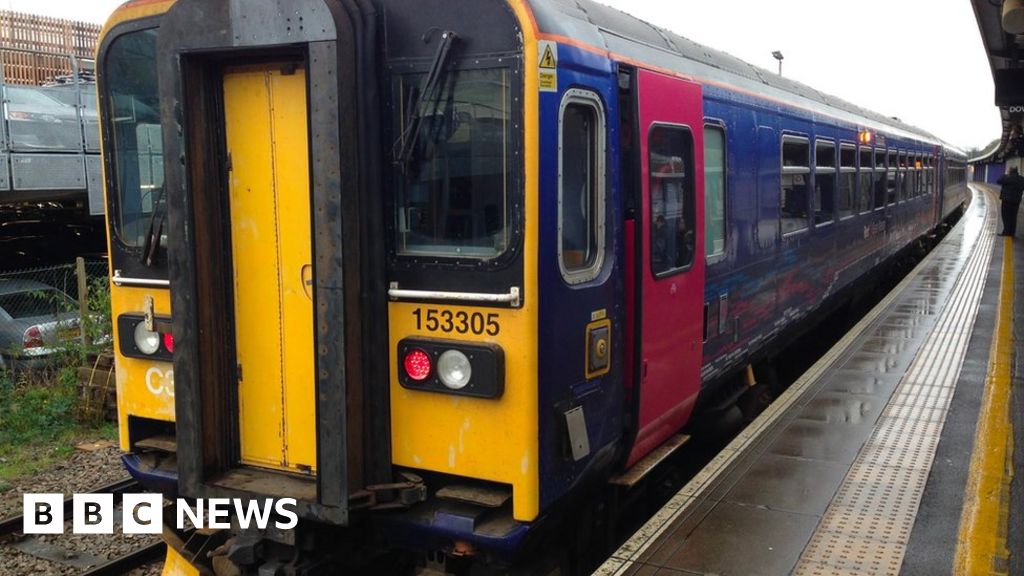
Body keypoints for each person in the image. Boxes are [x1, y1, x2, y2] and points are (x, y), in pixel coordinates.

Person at [997, 167, 1024, 237]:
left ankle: (1006, 232)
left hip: (1006, 201)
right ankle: (1012, 233)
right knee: (1013, 217)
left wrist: (1005, 174)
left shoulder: (1007, 177)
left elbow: (998, 181)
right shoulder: (1021, 179)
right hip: (1016, 201)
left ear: (1010, 171)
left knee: (1006, 217)